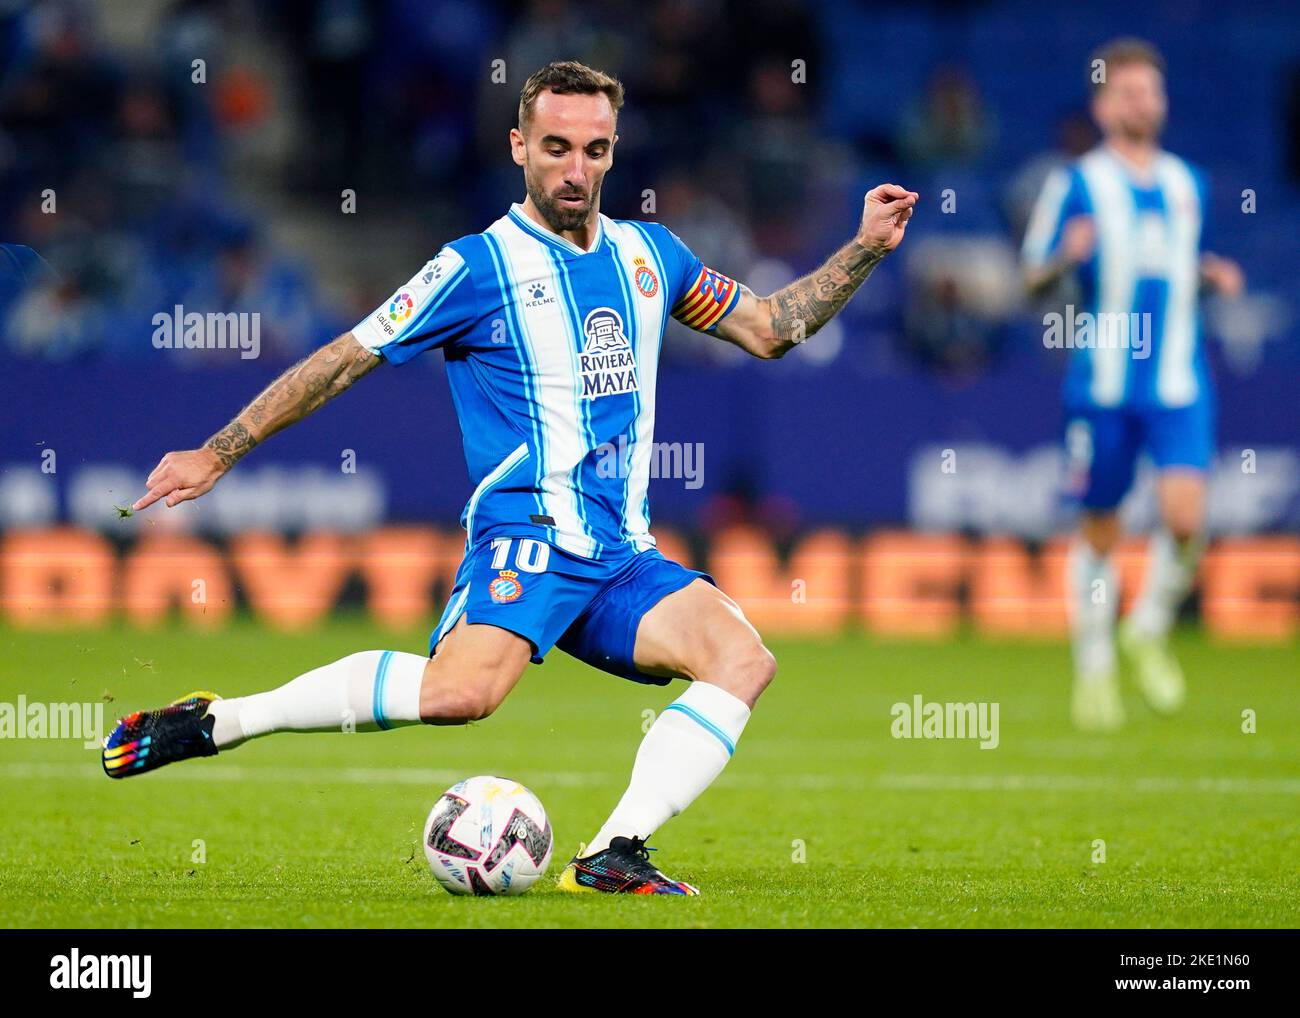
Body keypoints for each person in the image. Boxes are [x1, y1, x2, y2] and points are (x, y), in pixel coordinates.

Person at [102, 61, 917, 894]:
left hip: (622, 556)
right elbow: (348, 358)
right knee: (462, 694)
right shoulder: (475, 266)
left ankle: (612, 855)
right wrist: (221, 449)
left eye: (594, 150)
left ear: (611, 152)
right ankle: (221, 721)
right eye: (556, 147)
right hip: (527, 539)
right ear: (519, 145)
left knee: (742, 660)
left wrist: (863, 249)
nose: (575, 169)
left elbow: (773, 328)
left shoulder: (650, 253)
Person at [1021, 39, 1244, 731]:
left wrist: (1207, 272)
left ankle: (1145, 627)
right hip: (1103, 384)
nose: (1143, 102)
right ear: (1103, 104)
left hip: (1178, 380)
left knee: (1185, 521)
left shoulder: (1189, 184)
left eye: (1151, 91)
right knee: (1100, 530)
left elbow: (1166, 258)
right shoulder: (1077, 183)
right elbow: (1028, 274)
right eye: (1129, 92)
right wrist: (1066, 255)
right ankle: (1093, 669)